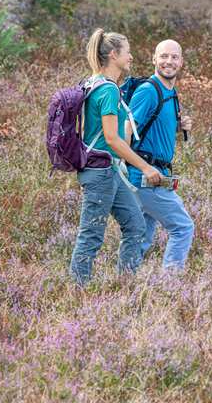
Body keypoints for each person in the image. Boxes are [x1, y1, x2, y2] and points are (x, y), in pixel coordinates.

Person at [70, 28, 161, 285]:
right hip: (100, 173)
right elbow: (112, 138)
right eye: (127, 52)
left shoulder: (93, 83)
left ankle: (125, 286)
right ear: (113, 55)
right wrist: (145, 167)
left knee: (136, 225)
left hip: (108, 171)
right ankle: (77, 291)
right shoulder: (108, 90)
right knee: (91, 235)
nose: (131, 57)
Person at [126, 39, 194, 270]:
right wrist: (139, 168)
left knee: (141, 236)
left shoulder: (171, 93)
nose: (169, 61)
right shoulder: (148, 91)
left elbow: (151, 128)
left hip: (157, 173)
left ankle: (124, 281)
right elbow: (127, 131)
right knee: (183, 227)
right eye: (164, 56)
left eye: (174, 57)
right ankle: (170, 285)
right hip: (145, 175)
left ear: (181, 62)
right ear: (154, 59)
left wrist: (179, 127)